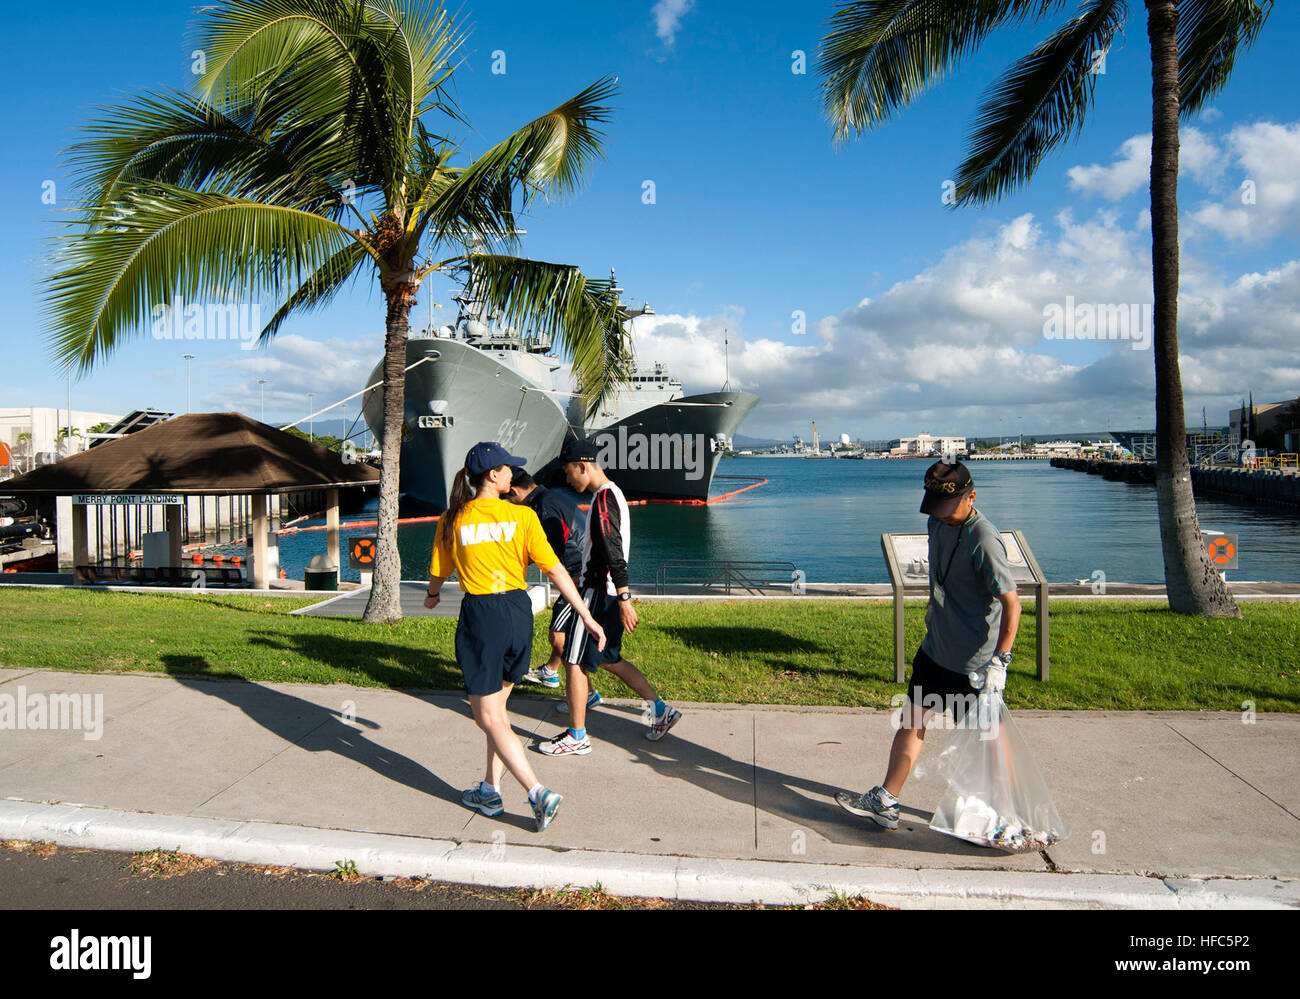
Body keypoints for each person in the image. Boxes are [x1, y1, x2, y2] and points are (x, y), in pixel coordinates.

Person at [425, 441, 606, 832]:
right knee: (498, 713)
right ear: (493, 475)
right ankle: (490, 790)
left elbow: (439, 570)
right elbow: (555, 569)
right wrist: (585, 614)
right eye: (508, 468)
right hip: (519, 614)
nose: (514, 473)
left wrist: (432, 594)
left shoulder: (453, 518)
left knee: (487, 716)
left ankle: (537, 792)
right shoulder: (522, 516)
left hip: (483, 616)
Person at [837, 459, 1020, 830]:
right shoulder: (936, 522)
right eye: (936, 507)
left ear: (972, 497)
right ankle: (886, 800)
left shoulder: (984, 539)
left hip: (972, 664)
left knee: (988, 742)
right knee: (912, 720)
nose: (941, 515)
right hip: (935, 650)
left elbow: (1012, 604)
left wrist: (1000, 662)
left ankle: (1007, 815)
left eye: (949, 508)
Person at [535, 437, 681, 756]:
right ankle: (660, 710)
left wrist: (625, 597)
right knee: (608, 658)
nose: (567, 480)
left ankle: (577, 736)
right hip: (609, 593)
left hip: (599, 593)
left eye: (568, 472)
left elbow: (612, 549)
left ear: (582, 466)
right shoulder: (612, 494)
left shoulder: (603, 499)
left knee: (573, 661)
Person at [507, 468, 602, 712]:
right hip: (582, 569)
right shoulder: (549, 497)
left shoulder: (542, 507)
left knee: (558, 635)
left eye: (508, 499)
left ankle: (586, 692)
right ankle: (552, 671)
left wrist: (516, 561)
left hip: (576, 573)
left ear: (514, 492)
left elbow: (550, 551)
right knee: (563, 633)